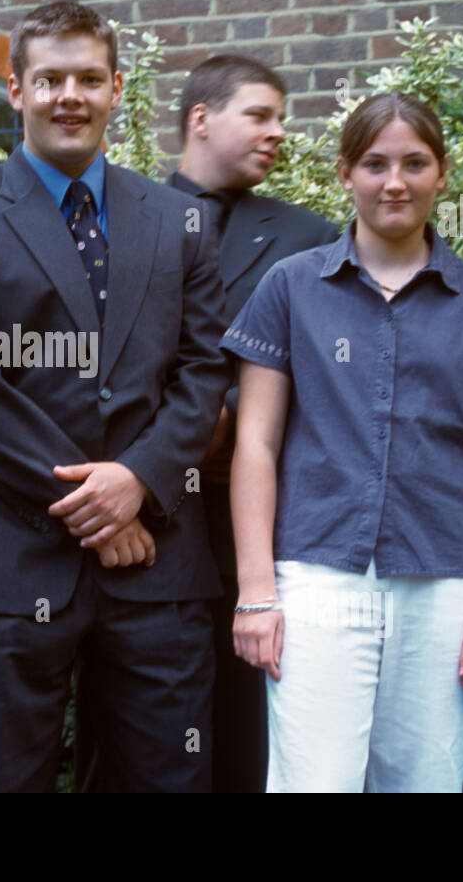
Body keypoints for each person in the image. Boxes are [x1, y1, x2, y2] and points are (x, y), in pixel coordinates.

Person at [0, 0, 231, 792]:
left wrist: (138, 482)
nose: (69, 96)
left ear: (118, 88)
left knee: (167, 778)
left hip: (156, 558)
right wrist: (94, 501)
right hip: (3, 551)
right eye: (49, 79)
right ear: (15, 90)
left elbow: (204, 370)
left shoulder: (184, 222)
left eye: (89, 78)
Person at [223, 91, 463, 792]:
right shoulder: (291, 287)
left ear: (442, 173)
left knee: (424, 780)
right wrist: (256, 589)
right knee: (314, 780)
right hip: (317, 575)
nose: (395, 181)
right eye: (375, 163)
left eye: (415, 163)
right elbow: (256, 444)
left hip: (446, 579)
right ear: (345, 173)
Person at [167, 55, 339, 792]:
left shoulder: (311, 235)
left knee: (252, 728)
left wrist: (232, 420)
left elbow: (330, 373)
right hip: (148, 515)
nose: (279, 132)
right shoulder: (127, 213)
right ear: (200, 118)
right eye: (260, 114)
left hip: (265, 528)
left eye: (282, 117)